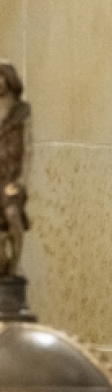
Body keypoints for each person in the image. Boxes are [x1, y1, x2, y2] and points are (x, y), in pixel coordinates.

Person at [0, 61, 30, 278]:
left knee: (12, 213)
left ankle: (16, 263)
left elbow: (28, 149)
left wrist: (22, 181)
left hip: (12, 178)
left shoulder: (21, 112)